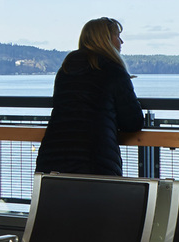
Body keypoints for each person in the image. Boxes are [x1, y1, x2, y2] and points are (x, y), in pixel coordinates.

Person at [35, 17, 143, 177]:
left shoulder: (66, 69)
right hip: (95, 162)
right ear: (106, 39)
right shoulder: (113, 71)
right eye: (117, 36)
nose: (121, 42)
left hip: (51, 159)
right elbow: (132, 122)